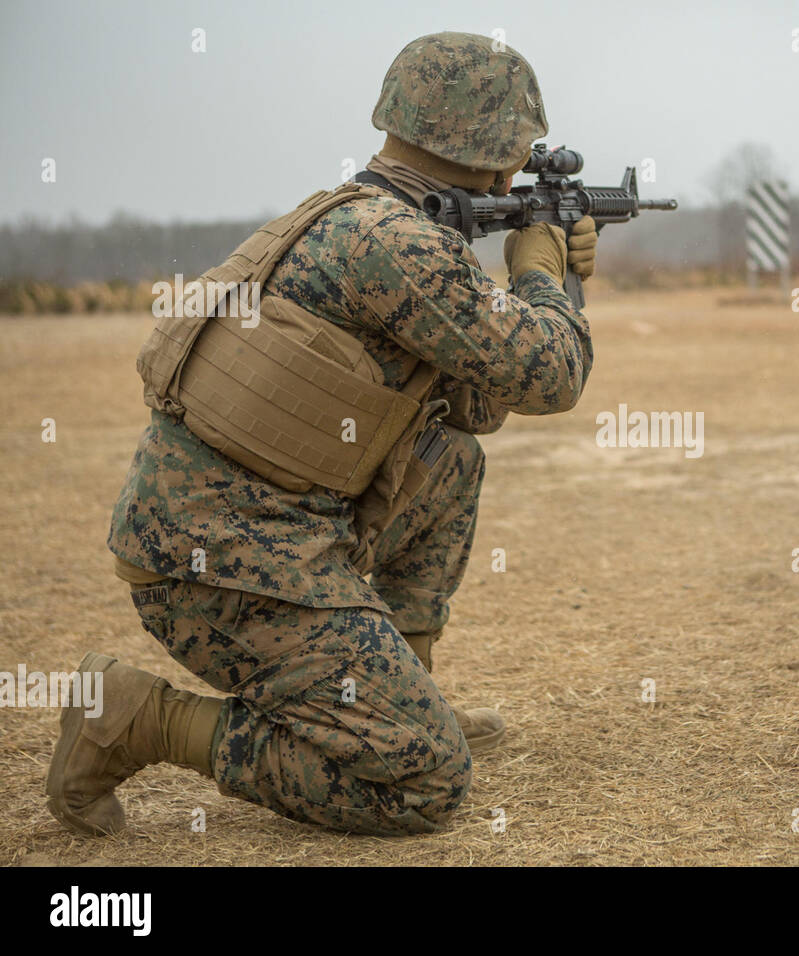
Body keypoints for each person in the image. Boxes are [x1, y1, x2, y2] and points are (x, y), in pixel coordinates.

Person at [46, 31, 597, 837]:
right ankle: (137, 717)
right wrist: (546, 275)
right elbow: (553, 375)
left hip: (227, 537)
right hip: (219, 575)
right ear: (500, 163)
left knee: (451, 462)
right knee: (424, 784)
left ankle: (400, 687)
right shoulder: (398, 246)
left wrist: (539, 275)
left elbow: (473, 408)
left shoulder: (352, 218)